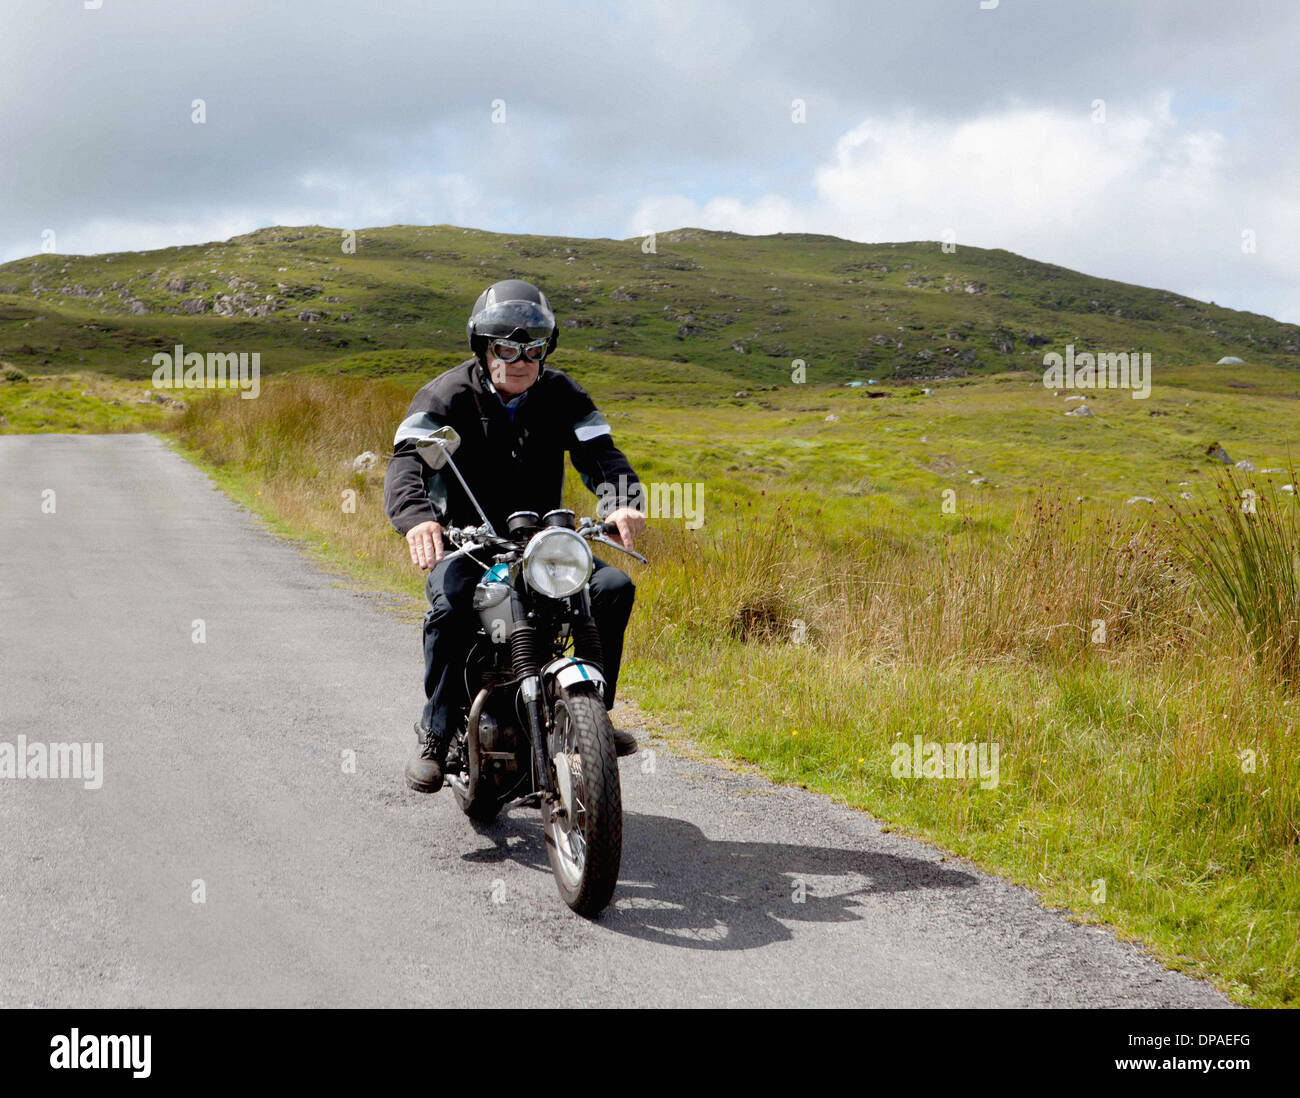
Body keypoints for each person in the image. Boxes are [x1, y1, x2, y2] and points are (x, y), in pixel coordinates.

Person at [384, 279, 646, 793]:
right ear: (483, 347)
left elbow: (602, 454)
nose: (521, 359)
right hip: (470, 543)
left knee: (612, 589)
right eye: (506, 346)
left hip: (544, 543)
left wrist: (620, 501)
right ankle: (435, 733)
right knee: (453, 603)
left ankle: (593, 713)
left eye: (533, 347)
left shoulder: (561, 394)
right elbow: (408, 459)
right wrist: (418, 517)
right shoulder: (448, 394)